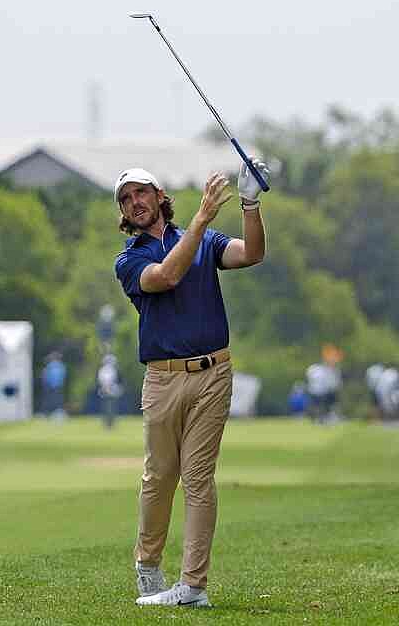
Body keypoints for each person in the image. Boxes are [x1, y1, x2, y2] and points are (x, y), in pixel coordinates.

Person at [114, 159, 270, 608]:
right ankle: (148, 564)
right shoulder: (130, 259)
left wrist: (250, 202)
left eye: (141, 192)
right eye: (125, 199)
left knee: (200, 477)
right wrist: (202, 220)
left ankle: (193, 587)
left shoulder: (202, 240)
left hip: (214, 373)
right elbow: (166, 276)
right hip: (163, 380)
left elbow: (252, 253)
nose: (134, 202)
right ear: (124, 214)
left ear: (159, 197)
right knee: (160, 477)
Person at [97, 353, 124, 428]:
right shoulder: (104, 370)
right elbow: (102, 381)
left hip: (112, 392)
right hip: (106, 392)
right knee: (107, 408)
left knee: (111, 408)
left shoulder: (112, 370)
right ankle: (107, 423)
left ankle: (110, 423)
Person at [40, 351, 68, 420]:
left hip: (51, 386)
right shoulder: (60, 366)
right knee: (56, 400)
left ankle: (49, 414)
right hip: (57, 386)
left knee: (50, 400)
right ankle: (54, 413)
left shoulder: (50, 366)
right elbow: (63, 376)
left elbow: (45, 376)